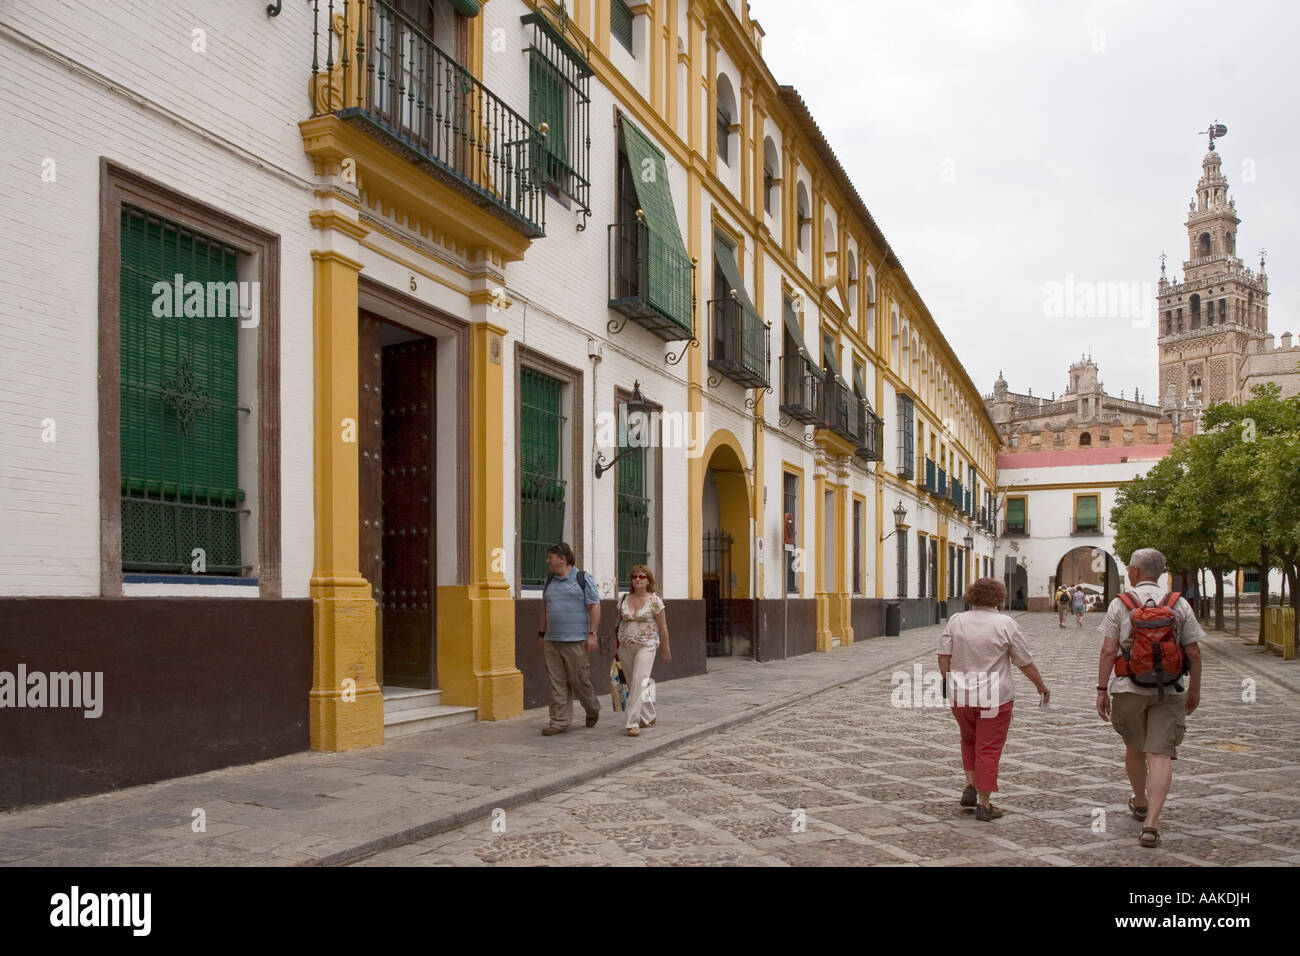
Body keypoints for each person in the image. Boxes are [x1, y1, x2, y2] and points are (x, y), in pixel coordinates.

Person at [1096, 548, 1204, 848]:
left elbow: (1108, 650)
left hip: (1129, 689)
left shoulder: (1121, 604)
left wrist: (1101, 689)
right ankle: (1151, 823)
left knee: (1135, 747)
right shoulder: (1178, 603)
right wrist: (1194, 689)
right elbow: (1193, 651)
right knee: (1160, 754)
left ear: (1133, 572)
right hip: (1170, 689)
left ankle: (1140, 801)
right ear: (1161, 572)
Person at [938, 577, 1050, 822]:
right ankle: (984, 803)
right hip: (994, 698)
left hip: (961, 697)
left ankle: (970, 784)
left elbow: (943, 655)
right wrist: (1040, 685)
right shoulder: (1005, 624)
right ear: (999, 598)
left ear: (972, 596)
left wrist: (947, 681)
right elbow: (1024, 661)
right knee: (988, 748)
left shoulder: (956, 621)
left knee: (968, 740)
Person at [537, 542, 601, 736]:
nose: (548, 560)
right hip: (552, 640)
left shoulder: (583, 578)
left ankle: (592, 708)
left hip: (576, 640)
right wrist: (542, 633)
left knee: (579, 680)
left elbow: (594, 607)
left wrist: (592, 634)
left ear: (562, 559)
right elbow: (545, 609)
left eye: (551, 557)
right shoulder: (549, 580)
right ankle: (559, 721)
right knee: (557, 681)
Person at [615, 564, 672, 737]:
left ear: (648, 580)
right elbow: (618, 624)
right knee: (635, 684)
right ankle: (649, 715)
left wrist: (666, 649)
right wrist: (615, 648)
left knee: (640, 680)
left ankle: (632, 722)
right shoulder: (624, 599)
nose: (638, 579)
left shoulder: (655, 601)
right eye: (634, 577)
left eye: (641, 576)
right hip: (625, 645)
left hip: (647, 645)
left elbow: (663, 628)